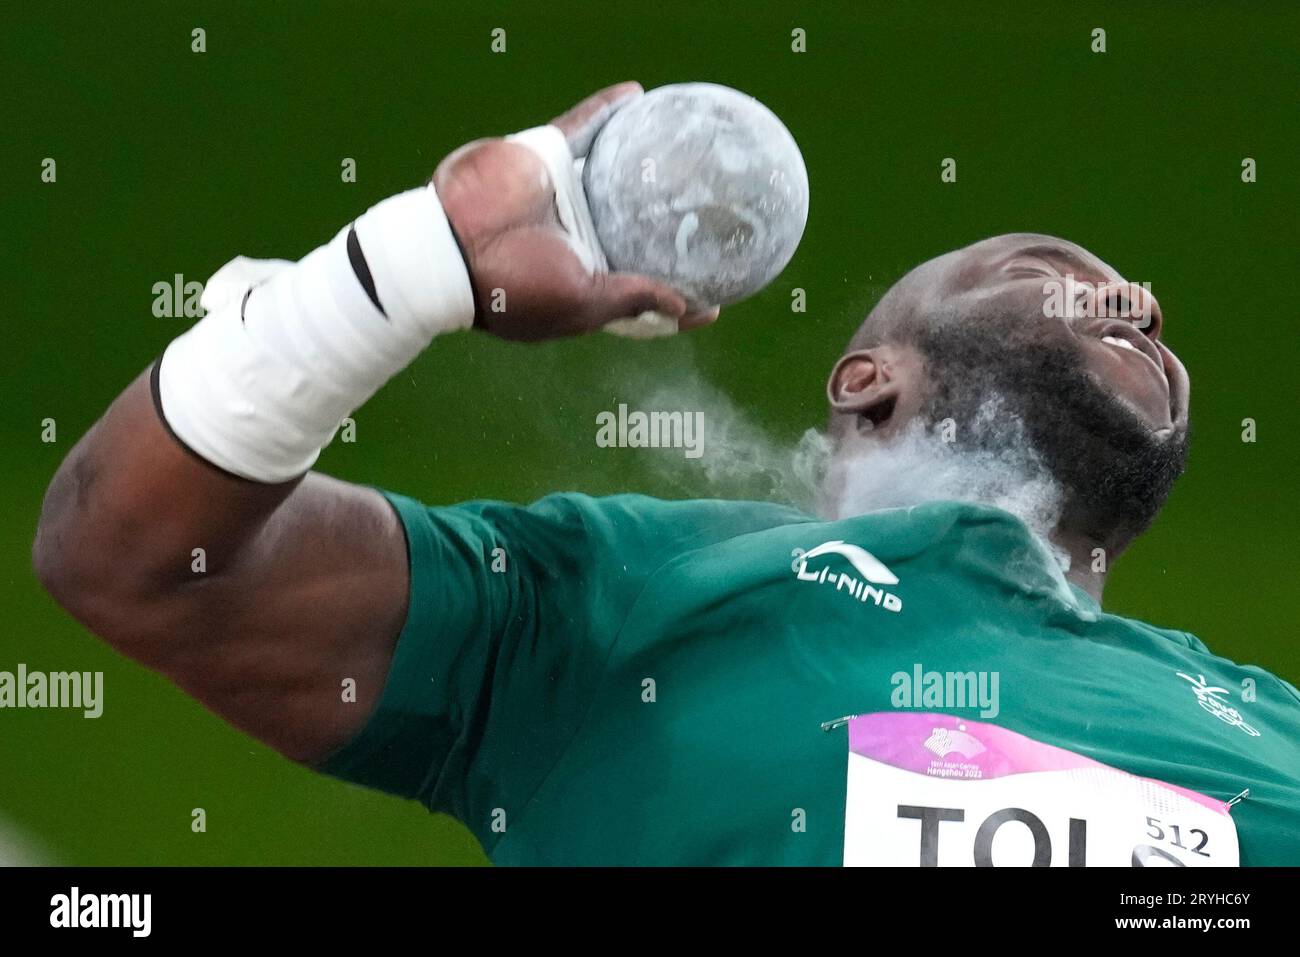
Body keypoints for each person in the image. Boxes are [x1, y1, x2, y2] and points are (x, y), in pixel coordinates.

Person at [33, 83, 1299, 866]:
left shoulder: (1268, 723)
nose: (1130, 300)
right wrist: (408, 269)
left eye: (1140, 310)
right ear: (869, 380)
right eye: (1044, 265)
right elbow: (135, 563)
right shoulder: (624, 592)